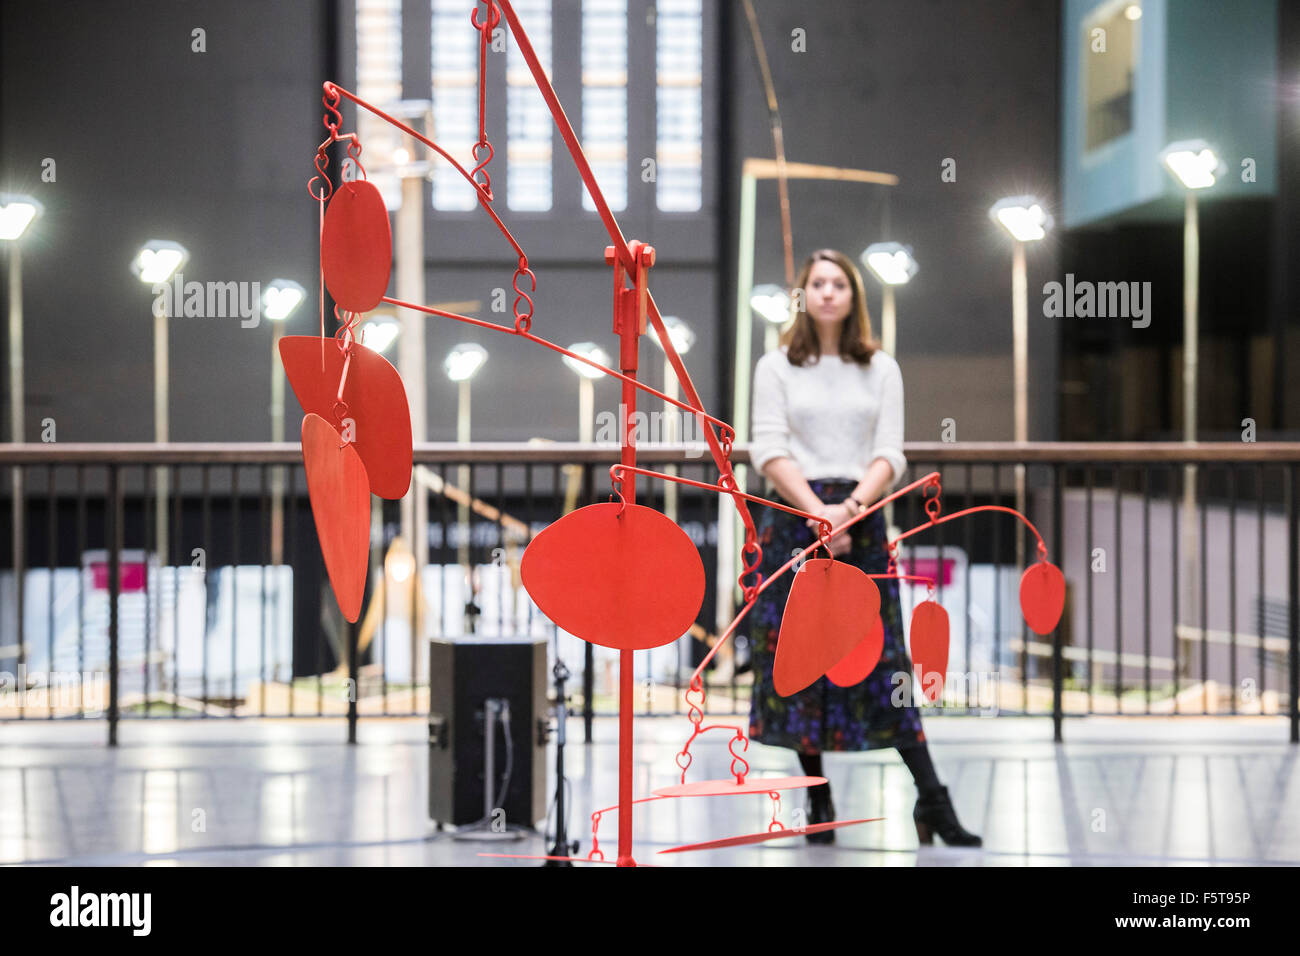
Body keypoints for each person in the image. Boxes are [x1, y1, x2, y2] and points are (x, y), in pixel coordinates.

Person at [746, 248, 980, 847]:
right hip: (794, 519)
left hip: (865, 519)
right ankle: (818, 802)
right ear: (804, 295)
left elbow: (890, 452)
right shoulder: (775, 366)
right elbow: (767, 447)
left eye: (838, 284)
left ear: (854, 296)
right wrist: (816, 513)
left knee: (882, 662)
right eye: (817, 283)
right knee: (801, 664)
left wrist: (849, 510)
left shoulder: (880, 367)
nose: (827, 292)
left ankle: (932, 802)